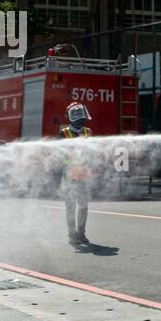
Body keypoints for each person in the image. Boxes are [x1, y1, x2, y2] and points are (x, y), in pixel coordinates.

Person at [59, 102, 93, 248]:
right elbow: (62, 154)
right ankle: (72, 235)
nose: (81, 121)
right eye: (79, 118)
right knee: (71, 207)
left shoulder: (88, 132)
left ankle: (81, 233)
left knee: (84, 206)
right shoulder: (64, 133)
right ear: (71, 118)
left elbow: (91, 152)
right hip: (69, 175)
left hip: (83, 175)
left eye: (82, 118)